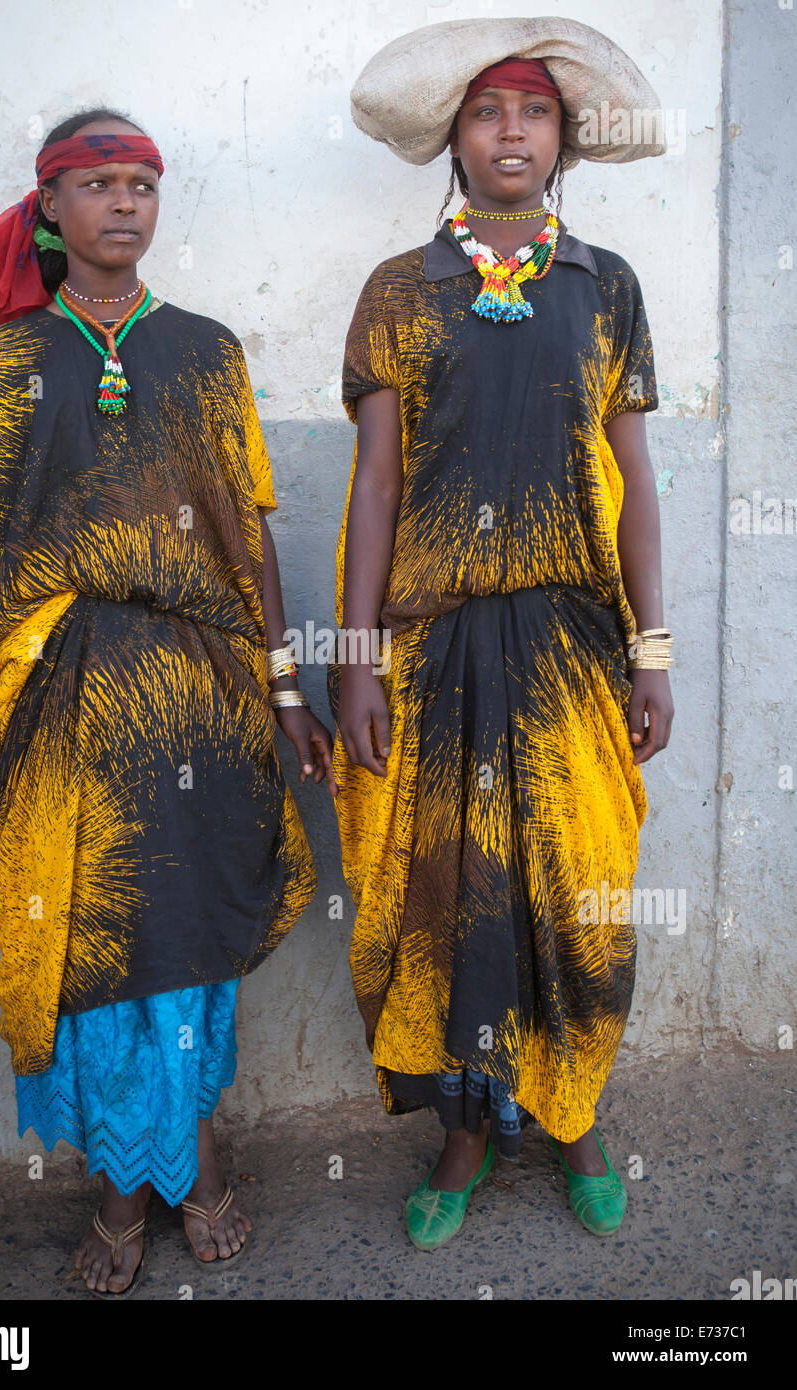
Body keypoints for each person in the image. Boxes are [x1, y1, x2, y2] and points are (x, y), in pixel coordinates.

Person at [0, 108, 336, 1295]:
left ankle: (200, 1162)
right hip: (61, 692)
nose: (124, 205)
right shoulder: (10, 358)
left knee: (185, 939)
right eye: (99, 185)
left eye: (143, 187)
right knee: (86, 943)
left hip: (198, 694)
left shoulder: (207, 349)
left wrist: (284, 689)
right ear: (51, 208)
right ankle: (121, 1187)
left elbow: (251, 535)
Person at [328, 16, 674, 1250]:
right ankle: (464, 1134)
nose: (511, 130)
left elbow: (631, 477)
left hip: (574, 647)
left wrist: (652, 647)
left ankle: (575, 1114)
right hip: (433, 651)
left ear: (562, 138)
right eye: (487, 113)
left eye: (533, 111)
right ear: (454, 143)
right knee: (453, 901)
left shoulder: (606, 285)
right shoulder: (400, 292)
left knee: (580, 891)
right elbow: (372, 488)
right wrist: (354, 659)